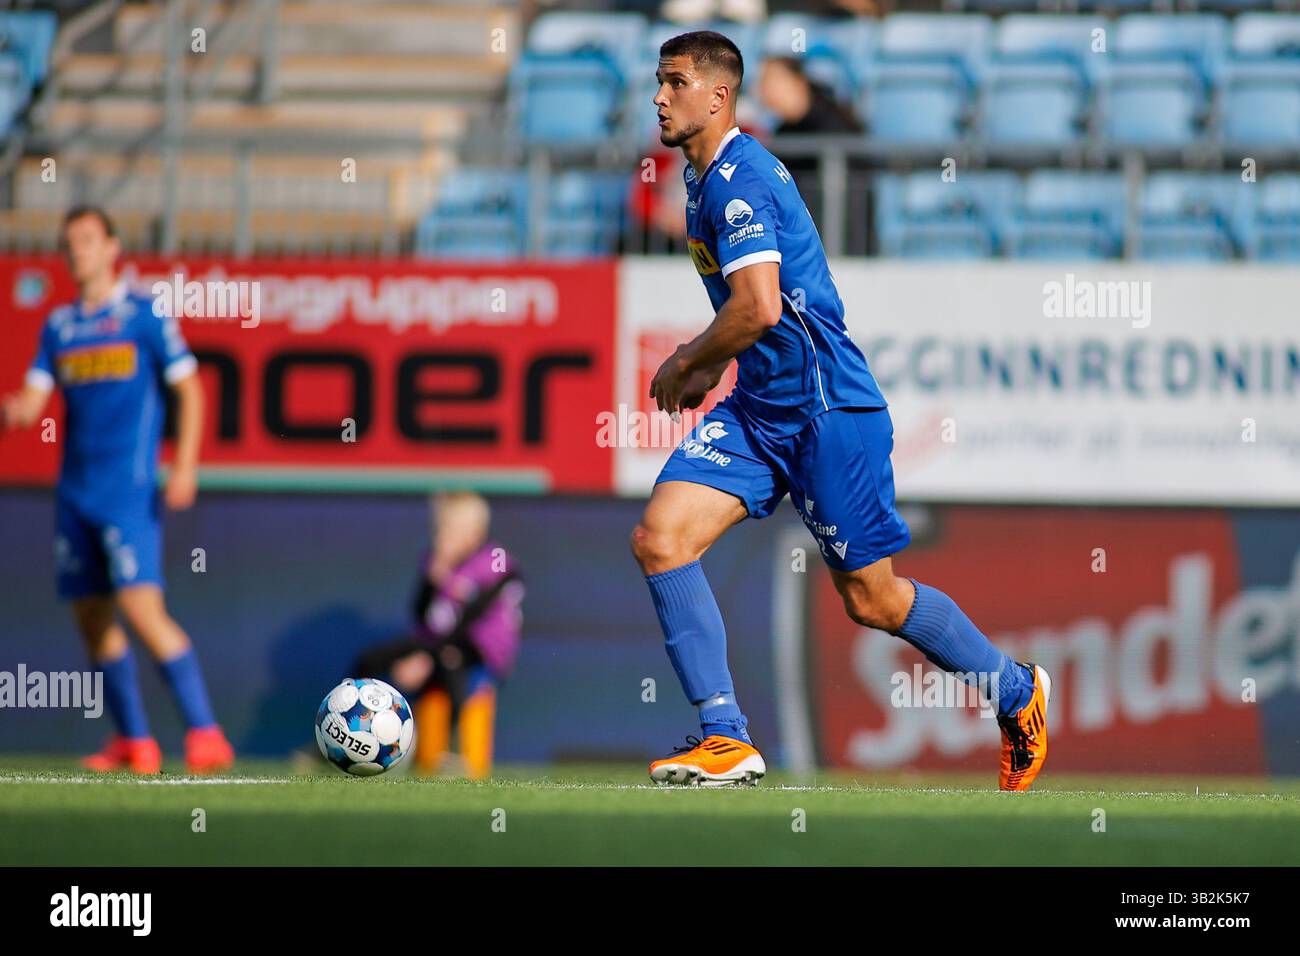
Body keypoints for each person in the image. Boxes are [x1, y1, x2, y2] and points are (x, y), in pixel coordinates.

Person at [637, 32, 1050, 790]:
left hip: (829, 411)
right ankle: (725, 736)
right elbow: (764, 311)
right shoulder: (700, 181)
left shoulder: (739, 179)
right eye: (657, 83)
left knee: (873, 599)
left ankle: (1016, 691)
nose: (658, 97)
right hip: (762, 411)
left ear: (717, 96)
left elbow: (759, 308)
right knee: (662, 539)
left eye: (673, 82)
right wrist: (717, 368)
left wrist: (689, 360)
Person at [0, 206, 234, 774]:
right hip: (74, 493)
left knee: (141, 606)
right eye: (69, 242)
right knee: (91, 617)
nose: (76, 250)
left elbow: (190, 389)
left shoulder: (143, 316)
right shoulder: (58, 326)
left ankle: (206, 733)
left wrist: (185, 466)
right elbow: (30, 406)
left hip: (126, 490)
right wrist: (12, 410)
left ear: (112, 247)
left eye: (86, 239)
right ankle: (135, 741)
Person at [351, 492, 522, 779]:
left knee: (450, 661)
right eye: (440, 528)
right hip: (436, 644)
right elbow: (422, 614)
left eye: (450, 529)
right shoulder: (435, 561)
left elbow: (472, 617)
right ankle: (349, 732)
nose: (442, 537)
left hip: (478, 648)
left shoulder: (495, 560)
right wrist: (431, 581)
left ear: (475, 532)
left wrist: (426, 658)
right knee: (371, 659)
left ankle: (455, 749)